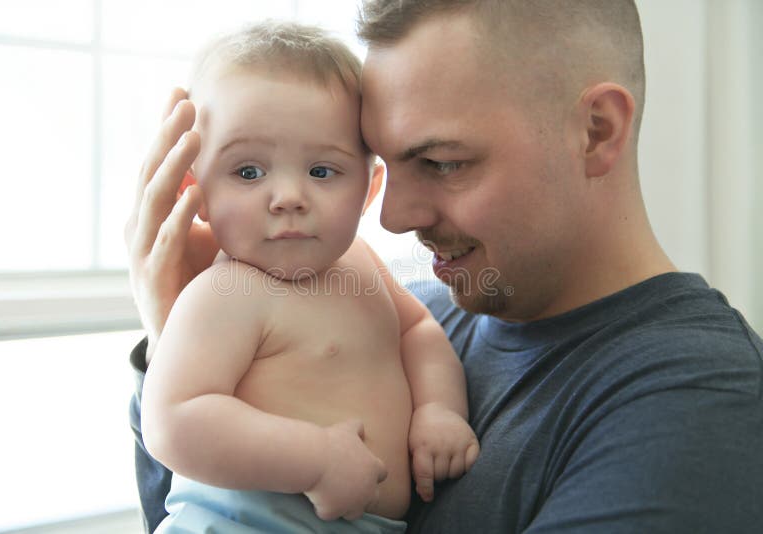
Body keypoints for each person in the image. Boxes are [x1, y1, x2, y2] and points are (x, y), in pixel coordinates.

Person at [126, 1, 763, 532]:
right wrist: (169, 329)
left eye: (441, 163)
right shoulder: (419, 304)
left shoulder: (688, 403)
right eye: (392, 164)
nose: (393, 217)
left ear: (595, 131)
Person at [136, 21, 479, 534]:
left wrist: (438, 409)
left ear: (368, 189)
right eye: (249, 172)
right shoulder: (224, 293)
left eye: (322, 171)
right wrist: (313, 459)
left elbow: (418, 332)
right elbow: (172, 419)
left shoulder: (363, 265)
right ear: (197, 190)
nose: (289, 196)